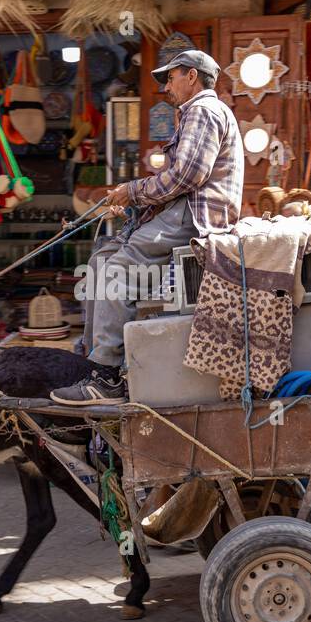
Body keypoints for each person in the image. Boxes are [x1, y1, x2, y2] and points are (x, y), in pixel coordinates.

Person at [52, 50, 244, 405]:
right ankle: (93, 362)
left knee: (116, 275)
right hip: (179, 212)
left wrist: (132, 192)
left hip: (193, 216)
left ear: (191, 76)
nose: (167, 87)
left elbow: (187, 176)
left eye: (170, 78)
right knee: (99, 264)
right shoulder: (197, 112)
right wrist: (132, 198)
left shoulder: (203, 110)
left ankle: (108, 377)